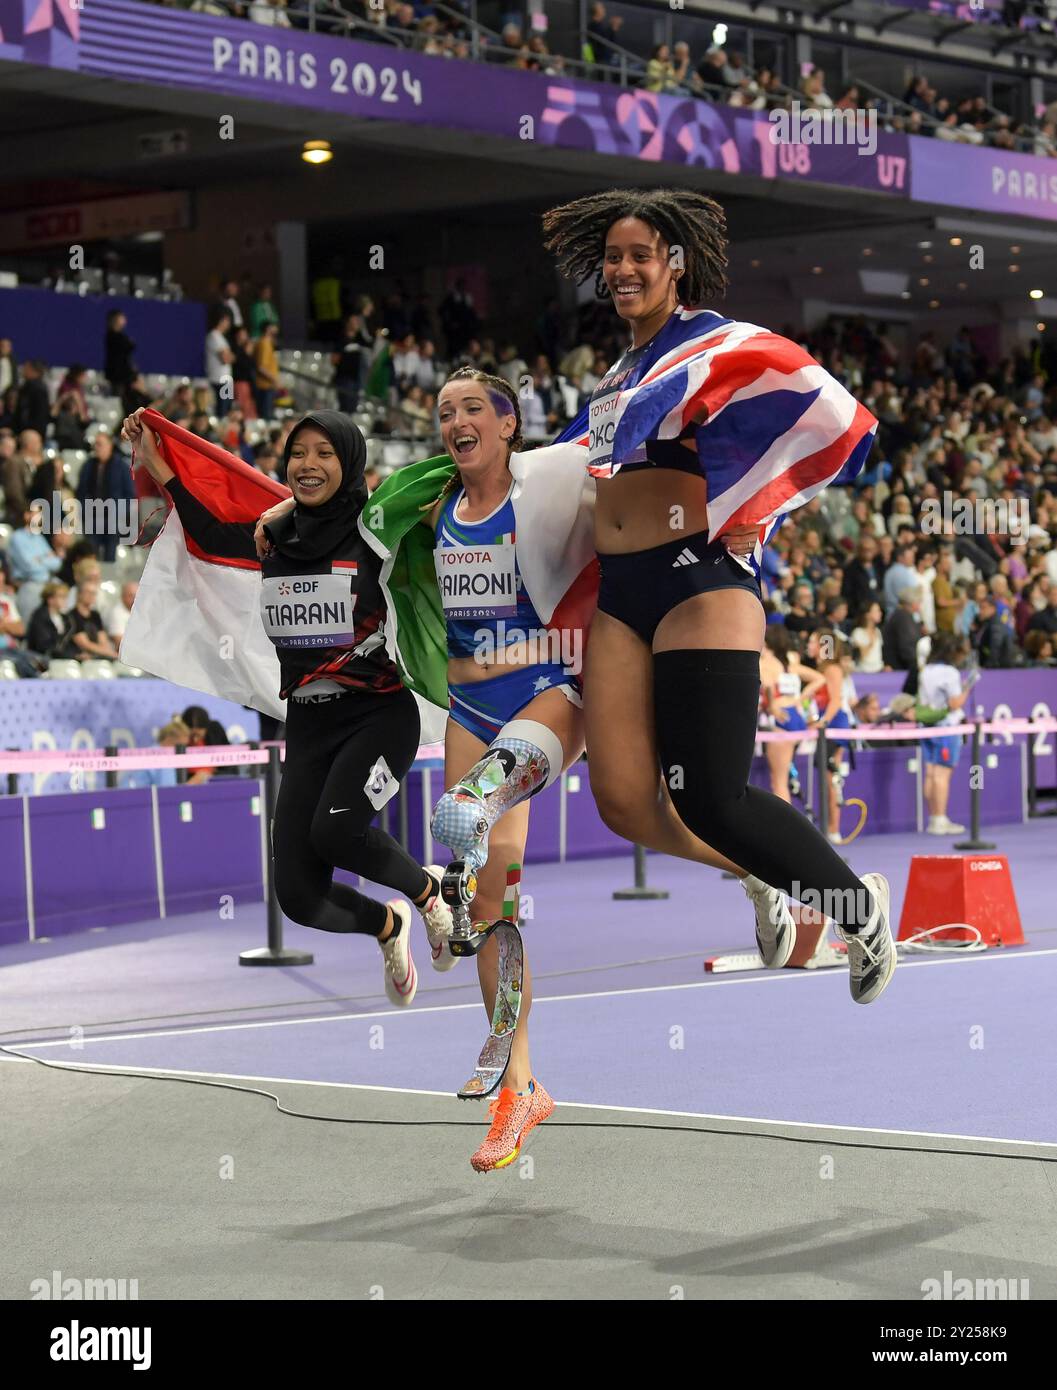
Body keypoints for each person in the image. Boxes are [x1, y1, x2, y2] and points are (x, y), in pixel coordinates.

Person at [542, 187, 896, 1002]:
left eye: (642, 255)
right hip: (622, 591)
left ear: (676, 266)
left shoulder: (716, 343)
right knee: (626, 802)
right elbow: (563, 474)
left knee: (710, 795)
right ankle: (763, 879)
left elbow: (817, 399)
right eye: (614, 256)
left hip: (699, 576)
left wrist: (757, 509)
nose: (624, 268)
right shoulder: (619, 377)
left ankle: (855, 905)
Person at [122, 406, 453, 1004]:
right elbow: (207, 532)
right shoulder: (271, 536)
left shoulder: (377, 528)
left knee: (337, 831)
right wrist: (160, 466)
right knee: (299, 898)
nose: (309, 465)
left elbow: (445, 480)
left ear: (349, 461)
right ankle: (389, 925)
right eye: (299, 453)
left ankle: (430, 893)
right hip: (306, 725)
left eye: (325, 453)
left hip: (379, 715)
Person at [759, 626, 824, 803]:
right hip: (796, 717)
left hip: (781, 719)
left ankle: (781, 826)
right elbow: (819, 678)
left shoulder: (766, 663)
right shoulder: (790, 664)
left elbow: (768, 687)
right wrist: (800, 698)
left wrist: (771, 706)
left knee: (778, 782)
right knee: (784, 778)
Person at [919, 632, 973, 835]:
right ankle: (940, 819)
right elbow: (954, 703)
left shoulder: (925, 670)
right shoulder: (950, 673)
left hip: (927, 727)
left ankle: (934, 818)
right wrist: (968, 687)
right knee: (942, 775)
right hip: (947, 728)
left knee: (931, 773)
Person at [104, 311, 136, 398]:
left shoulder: (121, 336)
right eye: (122, 318)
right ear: (116, 320)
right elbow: (129, 346)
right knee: (118, 398)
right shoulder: (112, 336)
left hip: (124, 376)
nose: (125, 320)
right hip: (117, 376)